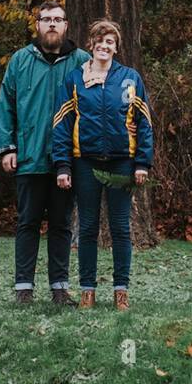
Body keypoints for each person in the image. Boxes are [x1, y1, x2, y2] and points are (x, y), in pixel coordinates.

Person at [52, 19, 153, 311]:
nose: (104, 46)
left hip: (123, 163)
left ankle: (121, 291)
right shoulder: (75, 79)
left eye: (110, 41)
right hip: (85, 164)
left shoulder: (130, 78)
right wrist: (62, 166)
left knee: (121, 228)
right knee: (87, 228)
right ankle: (87, 291)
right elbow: (61, 123)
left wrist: (142, 163)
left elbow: (144, 123)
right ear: (91, 45)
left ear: (116, 47)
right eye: (100, 41)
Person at [0, 1, 90, 305]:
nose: (51, 24)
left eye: (57, 19)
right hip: (28, 157)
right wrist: (7, 147)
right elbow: (5, 105)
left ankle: (60, 288)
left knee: (62, 224)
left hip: (67, 161)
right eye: (46, 19)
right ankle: (24, 288)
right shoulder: (20, 61)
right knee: (28, 222)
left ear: (66, 25)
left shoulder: (82, 61)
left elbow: (97, 105)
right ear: (37, 25)